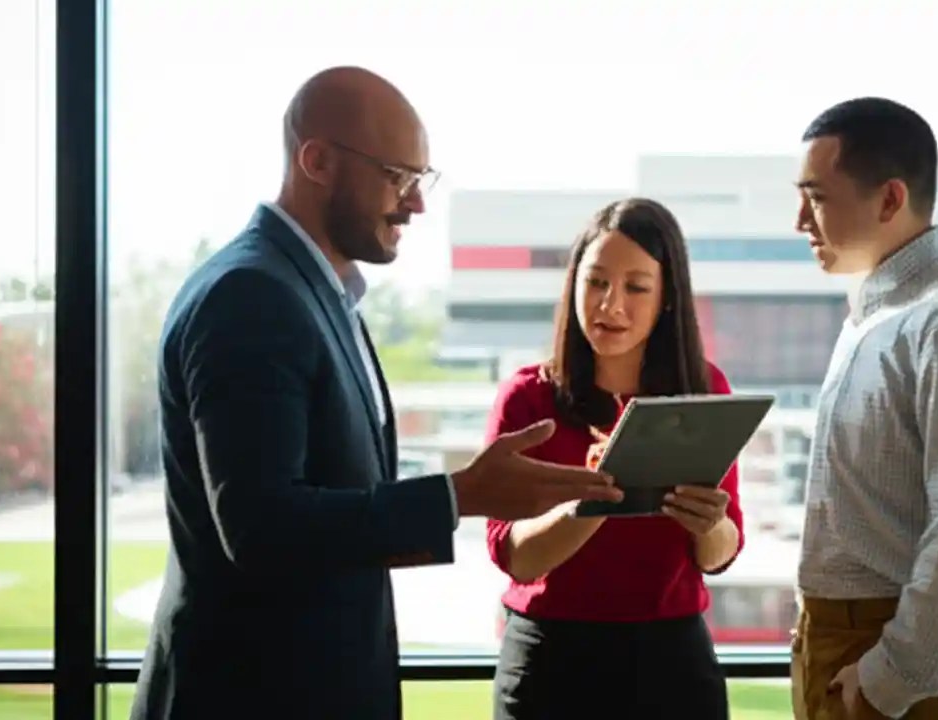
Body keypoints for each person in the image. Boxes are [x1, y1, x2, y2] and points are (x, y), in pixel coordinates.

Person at [128, 66, 621, 720]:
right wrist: (459, 496)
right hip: (252, 695)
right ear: (318, 161)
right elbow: (261, 528)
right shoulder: (251, 297)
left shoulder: (320, 297)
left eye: (421, 180)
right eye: (398, 177)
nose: (416, 204)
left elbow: (338, 508)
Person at [789, 96, 938, 720]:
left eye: (816, 197)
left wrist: (893, 677)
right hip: (848, 649)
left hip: (904, 668)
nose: (801, 221)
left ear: (890, 199)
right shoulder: (878, 316)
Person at [483, 197, 745, 720]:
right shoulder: (527, 398)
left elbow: (720, 553)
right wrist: (596, 492)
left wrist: (708, 524)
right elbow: (515, 556)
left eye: (636, 287)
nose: (610, 305)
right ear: (574, 283)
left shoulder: (703, 390)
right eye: (596, 282)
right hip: (550, 661)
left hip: (671, 661)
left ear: (667, 297)